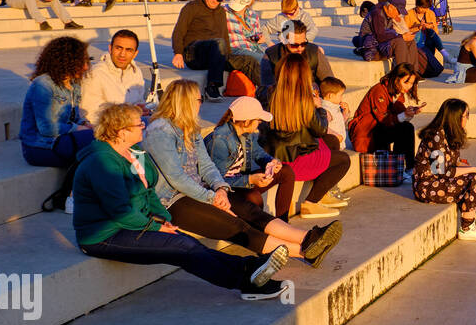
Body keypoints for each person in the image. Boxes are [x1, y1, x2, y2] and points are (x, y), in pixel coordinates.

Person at [73, 102, 290, 301]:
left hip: (135, 223)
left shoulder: (135, 153)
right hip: (104, 235)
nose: (143, 126)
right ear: (121, 132)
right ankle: (248, 283)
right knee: (182, 247)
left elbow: (149, 193)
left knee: (188, 243)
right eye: (138, 124)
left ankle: (249, 268)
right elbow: (120, 212)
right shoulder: (101, 163)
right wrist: (156, 226)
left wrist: (164, 220)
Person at [145, 80, 338, 267]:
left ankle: (308, 238)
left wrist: (220, 188)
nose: (200, 103)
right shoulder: (160, 132)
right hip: (172, 202)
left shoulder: (190, 129)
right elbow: (176, 178)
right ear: (184, 102)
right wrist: (212, 198)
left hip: (199, 190)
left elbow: (206, 166)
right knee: (237, 225)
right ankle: (304, 252)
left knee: (249, 210)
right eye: (198, 99)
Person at [205, 96, 343, 267]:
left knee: (286, 171)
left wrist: (271, 161)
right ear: (246, 121)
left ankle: (283, 224)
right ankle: (274, 240)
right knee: (254, 198)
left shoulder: (246, 133)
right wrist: (250, 179)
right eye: (257, 120)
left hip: (242, 181)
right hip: (226, 189)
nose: (259, 124)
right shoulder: (220, 140)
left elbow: (258, 154)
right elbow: (216, 180)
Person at [260, 53, 352, 217]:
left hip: (275, 153)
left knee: (331, 141)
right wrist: (319, 108)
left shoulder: (267, 92)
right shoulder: (303, 99)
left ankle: (323, 193)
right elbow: (319, 129)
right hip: (295, 159)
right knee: (344, 160)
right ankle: (311, 203)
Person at [413, 99, 476, 241]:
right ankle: (467, 228)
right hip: (428, 186)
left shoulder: (450, 132)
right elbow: (441, 172)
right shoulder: (436, 137)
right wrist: (473, 170)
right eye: (466, 115)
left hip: (443, 179)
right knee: (475, 178)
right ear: (456, 117)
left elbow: (454, 162)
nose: (467, 119)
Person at [21, 36, 95, 179]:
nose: (86, 67)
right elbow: (46, 128)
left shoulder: (74, 84)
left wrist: (85, 124)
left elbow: (74, 118)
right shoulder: (43, 85)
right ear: (66, 62)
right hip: (40, 147)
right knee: (98, 145)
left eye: (87, 61)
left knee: (106, 141)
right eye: (81, 62)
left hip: (63, 139)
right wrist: (79, 129)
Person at [171, 0, 232, 101]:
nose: (215, 1)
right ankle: (212, 87)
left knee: (247, 60)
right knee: (218, 43)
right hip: (193, 52)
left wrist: (229, 55)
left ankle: (267, 87)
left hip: (213, 53)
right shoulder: (192, 7)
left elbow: (224, 35)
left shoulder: (221, 12)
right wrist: (178, 52)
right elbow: (179, 31)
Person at [349, 63, 422, 163]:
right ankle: (403, 166)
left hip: (379, 130)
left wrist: (410, 113)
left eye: (411, 83)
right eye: (406, 82)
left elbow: (400, 115)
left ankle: (407, 167)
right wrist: (405, 115)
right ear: (396, 79)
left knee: (407, 127)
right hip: (366, 133)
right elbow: (383, 118)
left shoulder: (398, 92)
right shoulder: (379, 90)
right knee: (404, 128)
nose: (409, 86)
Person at [80, 29, 150, 123]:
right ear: (110, 48)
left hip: (134, 126)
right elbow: (88, 115)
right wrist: (127, 115)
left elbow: (140, 102)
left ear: (135, 54)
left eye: (128, 50)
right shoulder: (96, 74)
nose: (122, 54)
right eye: (118, 48)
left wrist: (141, 110)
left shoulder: (136, 72)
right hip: (107, 131)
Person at [261, 20, 336, 91]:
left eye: (303, 44)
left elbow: (330, 83)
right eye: (294, 45)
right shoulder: (271, 56)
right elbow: (266, 89)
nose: (300, 48)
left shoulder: (314, 52)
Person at [225, 0, 267, 86]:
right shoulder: (224, 12)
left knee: (274, 56)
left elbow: (256, 34)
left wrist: (260, 38)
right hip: (235, 48)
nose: (235, 9)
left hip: (253, 47)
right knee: (265, 60)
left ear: (247, 5)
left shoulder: (253, 15)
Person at [317, 76, 350, 148]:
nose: (342, 98)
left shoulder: (334, 107)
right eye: (340, 95)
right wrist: (336, 136)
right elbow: (324, 127)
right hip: (332, 145)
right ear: (330, 95)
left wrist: (345, 112)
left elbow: (339, 121)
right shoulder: (326, 110)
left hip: (339, 144)